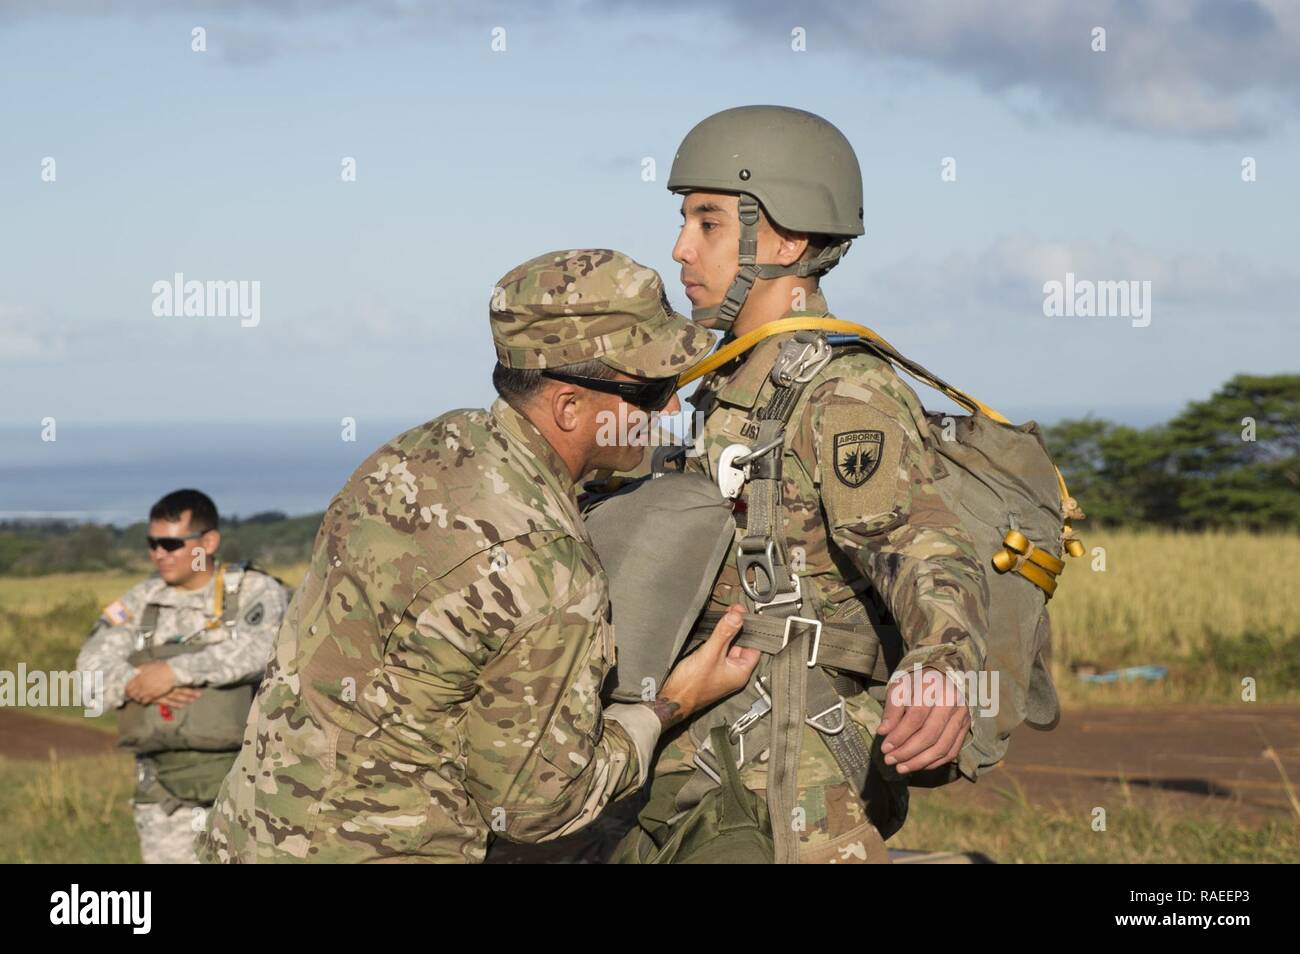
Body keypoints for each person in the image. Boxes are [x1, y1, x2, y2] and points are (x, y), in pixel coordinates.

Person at [197, 248, 760, 863]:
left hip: (249, 834)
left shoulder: (412, 454)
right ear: (569, 408)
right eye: (651, 392)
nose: (671, 410)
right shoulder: (550, 572)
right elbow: (537, 808)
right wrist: (671, 703)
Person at [616, 106, 992, 864]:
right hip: (709, 740)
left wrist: (942, 664)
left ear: (784, 240)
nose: (680, 247)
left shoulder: (843, 393)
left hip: (795, 762)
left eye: (709, 223)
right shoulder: (724, 389)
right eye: (685, 221)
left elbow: (925, 550)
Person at [76, 488, 287, 864]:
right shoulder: (142, 601)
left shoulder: (254, 591)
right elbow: (88, 676)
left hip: (253, 789)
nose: (159, 553)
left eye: (171, 543)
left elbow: (265, 649)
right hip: (165, 797)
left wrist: (175, 672)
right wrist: (135, 682)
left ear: (208, 542)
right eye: (152, 543)